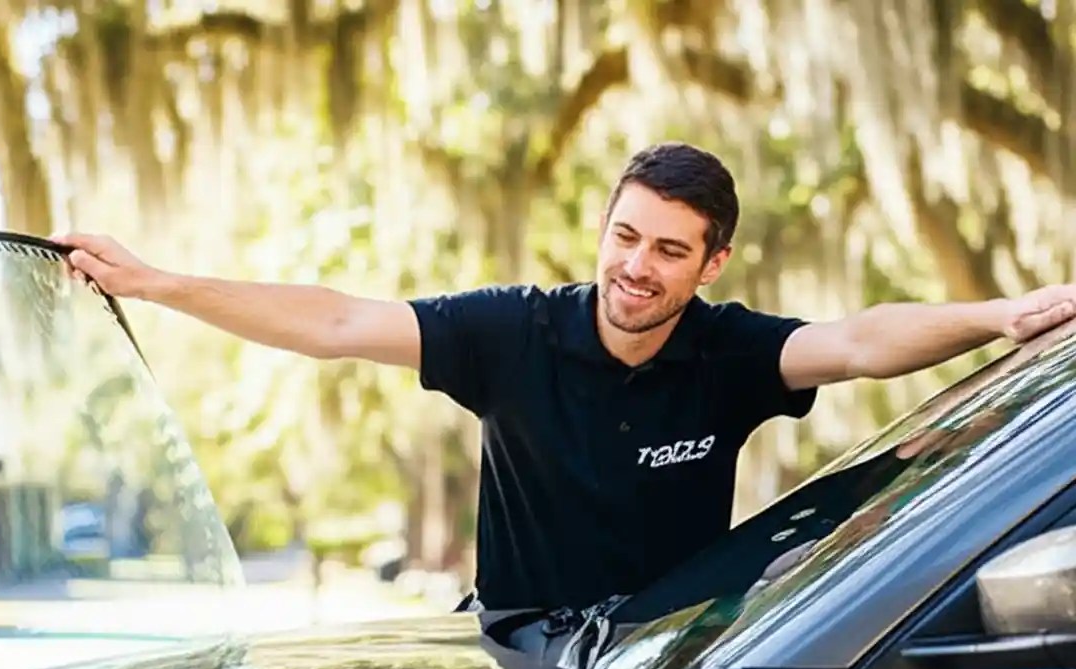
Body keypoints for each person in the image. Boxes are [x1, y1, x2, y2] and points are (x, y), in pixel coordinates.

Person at [53, 142, 1076, 613]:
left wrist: (1000, 316)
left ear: (710, 263)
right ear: (602, 228)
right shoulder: (512, 334)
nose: (636, 266)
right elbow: (333, 321)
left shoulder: (725, 353)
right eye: (624, 236)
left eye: (669, 251)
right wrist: (154, 281)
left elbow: (857, 342)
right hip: (521, 664)